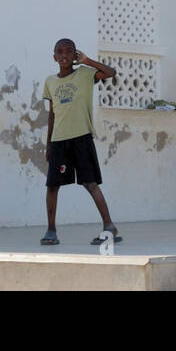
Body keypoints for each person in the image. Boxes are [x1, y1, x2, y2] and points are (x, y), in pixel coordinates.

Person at [39, 39, 120, 246]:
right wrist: (48, 144)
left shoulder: (85, 74)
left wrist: (88, 61)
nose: (64, 55)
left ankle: (109, 225)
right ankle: (51, 230)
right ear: (54, 57)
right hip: (59, 141)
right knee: (52, 185)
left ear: (75, 55)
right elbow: (52, 115)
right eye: (60, 52)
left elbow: (111, 72)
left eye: (69, 51)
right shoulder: (50, 81)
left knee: (90, 184)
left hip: (81, 137)